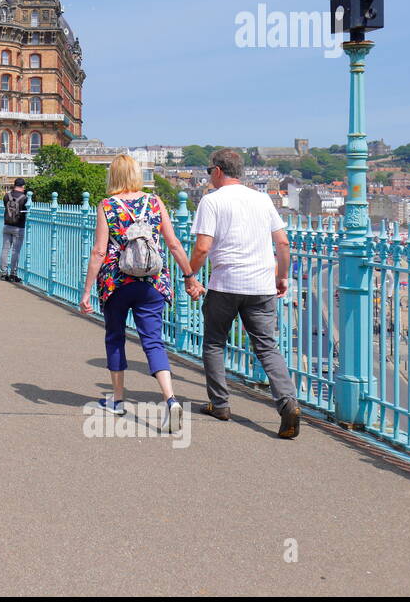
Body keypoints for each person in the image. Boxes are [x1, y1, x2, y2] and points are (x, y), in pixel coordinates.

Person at [187, 148, 301, 438]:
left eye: (208, 171)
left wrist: (190, 275)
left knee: (214, 343)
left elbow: (202, 248)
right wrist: (282, 276)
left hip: (225, 284)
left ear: (217, 171)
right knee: (266, 346)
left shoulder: (212, 201)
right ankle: (287, 402)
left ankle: (220, 404)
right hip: (261, 286)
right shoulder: (262, 199)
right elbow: (283, 244)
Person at [79, 155, 192, 432]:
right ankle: (171, 400)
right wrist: (189, 275)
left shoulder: (106, 205)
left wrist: (86, 291)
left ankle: (117, 400)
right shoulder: (154, 201)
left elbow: (99, 251)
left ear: (113, 176)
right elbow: (173, 243)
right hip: (152, 282)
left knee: (115, 337)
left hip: (116, 283)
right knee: (153, 341)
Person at [0, 178, 29, 282]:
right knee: (15, 251)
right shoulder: (24, 198)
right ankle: (13, 274)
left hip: (7, 225)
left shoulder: (7, 196)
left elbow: (5, 206)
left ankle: (4, 273)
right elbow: (26, 210)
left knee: (5, 249)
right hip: (18, 227)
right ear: (23, 186)